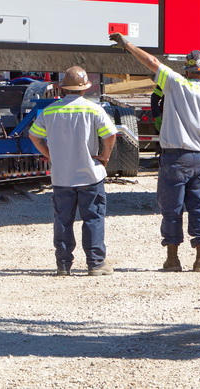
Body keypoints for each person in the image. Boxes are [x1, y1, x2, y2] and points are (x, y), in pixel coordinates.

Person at [109, 32, 200, 273]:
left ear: (187, 71)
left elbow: (152, 62)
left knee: (172, 208)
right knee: (199, 207)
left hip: (175, 158)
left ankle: (173, 259)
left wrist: (128, 44)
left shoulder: (175, 83)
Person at [28, 66, 117, 276]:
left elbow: (33, 135)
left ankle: (63, 265)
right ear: (85, 89)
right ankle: (95, 264)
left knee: (63, 220)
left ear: (62, 89)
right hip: (90, 175)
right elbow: (110, 135)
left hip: (62, 177)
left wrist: (50, 155)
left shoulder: (50, 111)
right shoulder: (94, 109)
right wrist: (104, 157)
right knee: (93, 219)